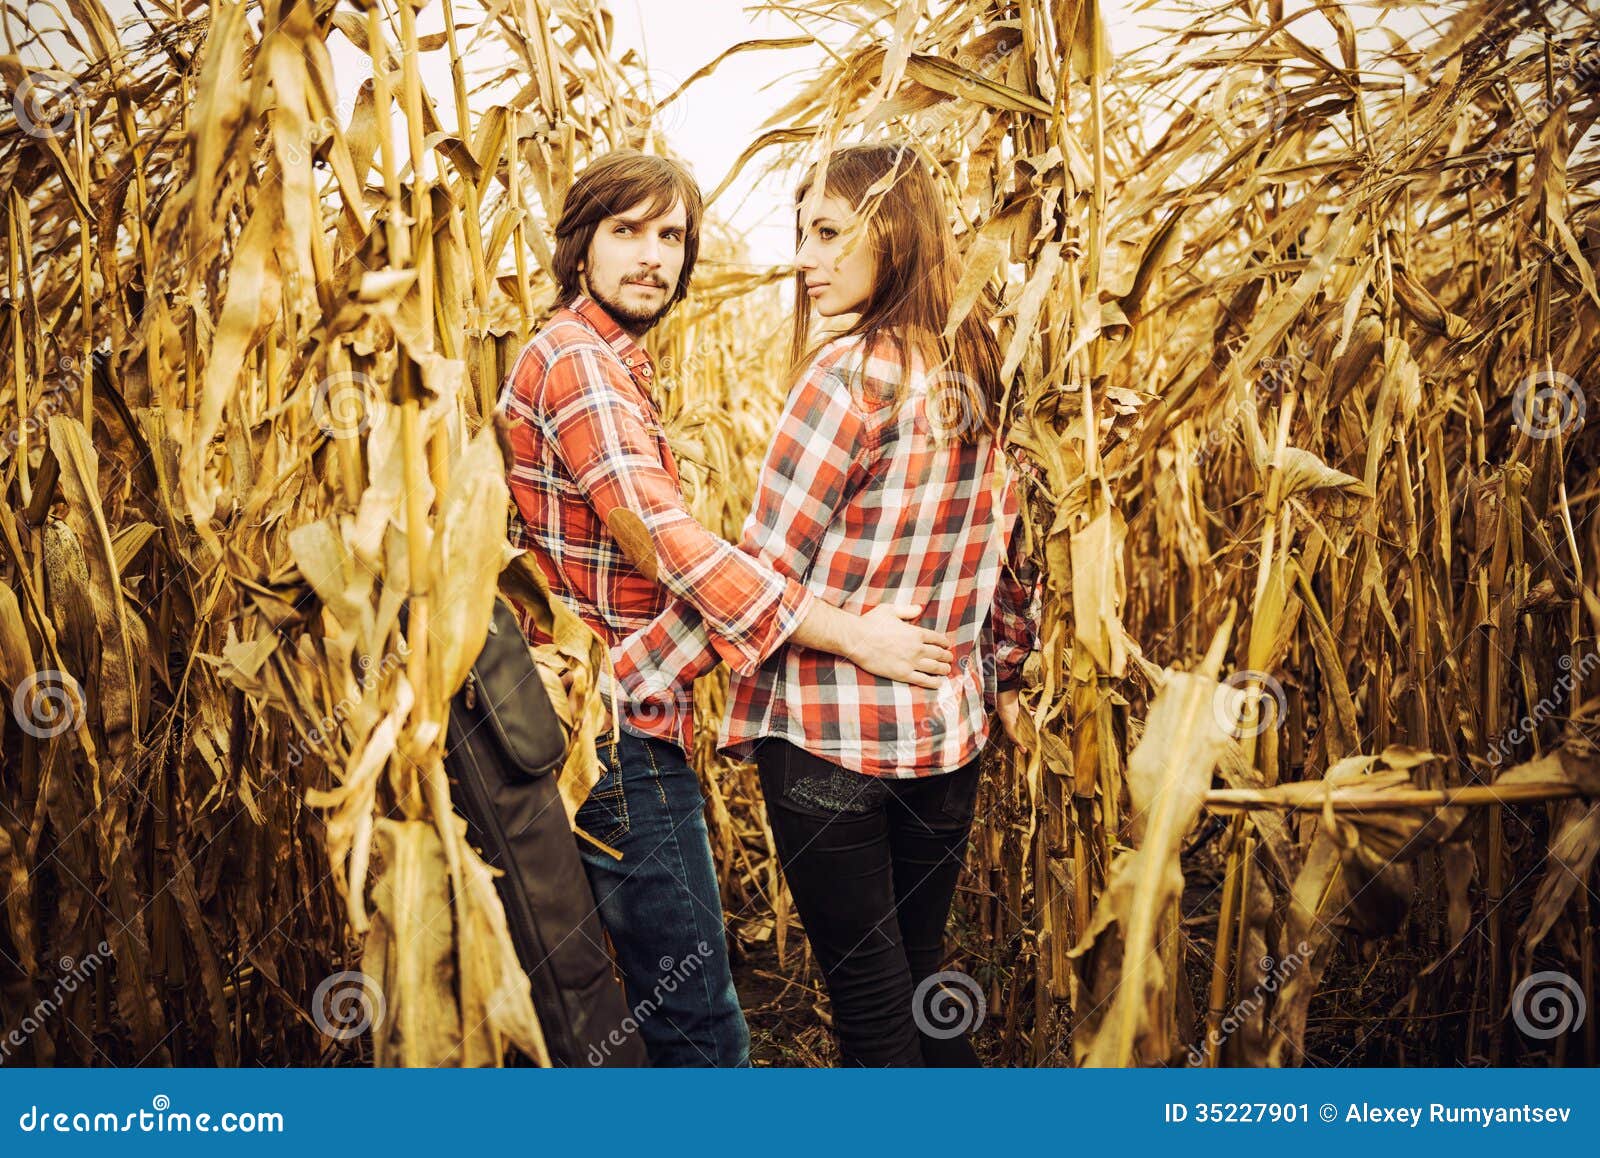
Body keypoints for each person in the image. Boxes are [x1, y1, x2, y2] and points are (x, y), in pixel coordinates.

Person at [493, 150, 958, 1067]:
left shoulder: (599, 359)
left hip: (611, 717)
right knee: (700, 1024)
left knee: (623, 1012)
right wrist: (847, 630)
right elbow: (662, 540)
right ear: (578, 242)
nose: (653, 257)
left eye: (672, 237)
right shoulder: (580, 364)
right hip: (613, 728)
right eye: (626, 232)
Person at [615, 142, 1039, 1066]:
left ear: (892, 233)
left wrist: (628, 685)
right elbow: (1013, 557)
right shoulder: (987, 365)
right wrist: (1004, 674)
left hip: (826, 742)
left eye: (828, 232)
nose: (803, 259)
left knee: (872, 1010)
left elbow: (761, 571)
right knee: (926, 986)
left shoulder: (846, 377)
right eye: (800, 233)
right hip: (945, 736)